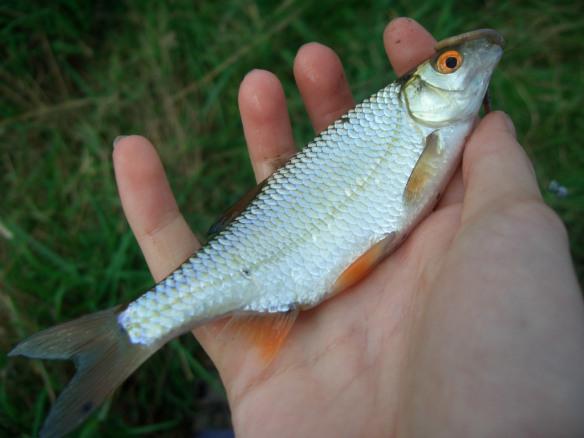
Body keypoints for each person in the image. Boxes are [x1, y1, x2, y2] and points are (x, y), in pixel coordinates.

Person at [112, 18, 584, 437]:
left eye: (449, 62)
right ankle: (135, 331)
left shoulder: (435, 125)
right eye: (451, 64)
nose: (465, 64)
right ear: (419, 90)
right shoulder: (424, 126)